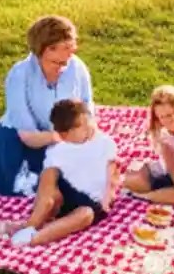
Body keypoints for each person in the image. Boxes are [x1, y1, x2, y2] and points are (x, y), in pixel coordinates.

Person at [0, 15, 94, 196]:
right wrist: (59, 137)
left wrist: (84, 134)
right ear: (40, 52)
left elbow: (87, 109)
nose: (61, 66)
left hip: (60, 137)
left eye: (66, 57)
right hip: (21, 135)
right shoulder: (20, 75)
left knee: (66, 184)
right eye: (55, 61)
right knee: (11, 186)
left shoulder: (78, 68)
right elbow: (27, 135)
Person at [10, 99, 119, 246]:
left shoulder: (103, 143)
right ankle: (32, 224)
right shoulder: (57, 150)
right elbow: (49, 179)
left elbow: (113, 173)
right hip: (65, 195)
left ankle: (37, 237)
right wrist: (48, 195)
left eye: (89, 122)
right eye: (82, 126)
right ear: (64, 134)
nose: (88, 128)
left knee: (85, 215)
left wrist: (108, 195)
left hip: (91, 201)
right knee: (48, 177)